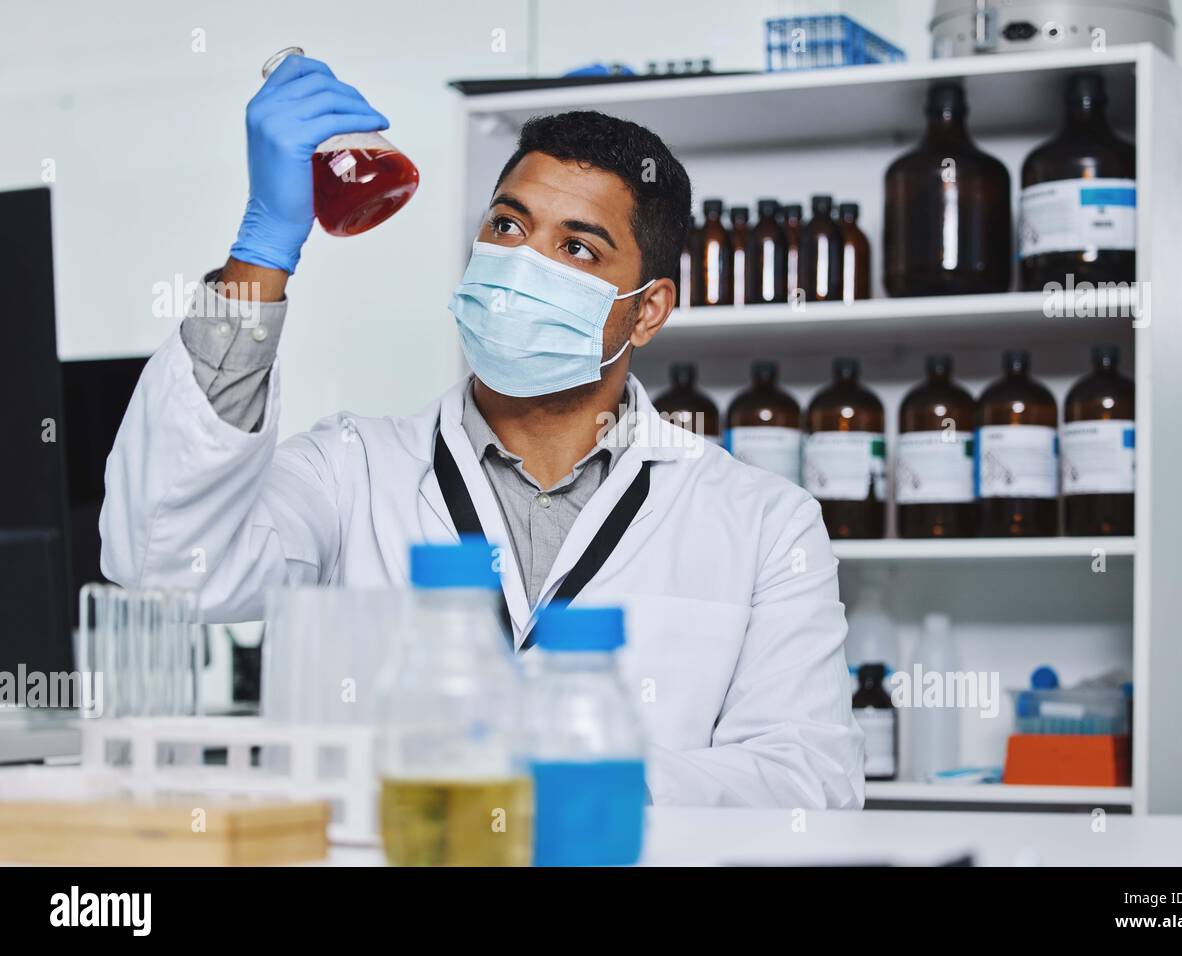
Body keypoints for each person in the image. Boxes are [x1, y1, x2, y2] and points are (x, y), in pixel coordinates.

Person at [101, 53, 864, 809]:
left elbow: (808, 781)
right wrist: (262, 253)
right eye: (507, 224)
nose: (522, 263)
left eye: (576, 248)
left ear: (648, 309)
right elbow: (164, 563)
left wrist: (568, 768)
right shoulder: (350, 468)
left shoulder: (766, 523)